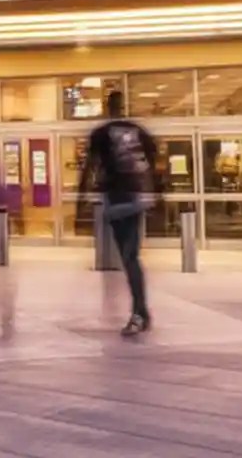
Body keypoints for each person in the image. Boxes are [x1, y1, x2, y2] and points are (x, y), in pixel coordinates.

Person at [77, 90, 162, 337]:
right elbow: (155, 165)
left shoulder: (101, 134)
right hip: (137, 198)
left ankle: (140, 312)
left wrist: (81, 199)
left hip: (116, 199)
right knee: (130, 256)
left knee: (129, 257)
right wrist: (158, 197)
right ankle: (141, 310)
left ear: (107, 107)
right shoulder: (139, 131)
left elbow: (89, 167)